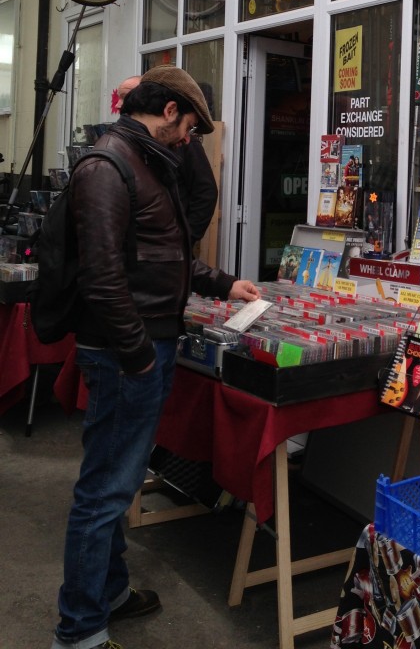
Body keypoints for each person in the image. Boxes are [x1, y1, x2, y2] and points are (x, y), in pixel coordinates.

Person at [52, 65, 259, 649]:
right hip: (126, 353)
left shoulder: (149, 163)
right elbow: (101, 276)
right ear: (169, 111)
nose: (190, 140)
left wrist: (224, 284)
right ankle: (79, 631)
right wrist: (139, 355)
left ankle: (109, 591)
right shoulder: (108, 165)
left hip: (144, 346)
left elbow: (164, 255)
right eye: (189, 126)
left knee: (116, 484)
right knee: (104, 492)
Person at [116, 75, 219, 245]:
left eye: (126, 97)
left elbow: (205, 192)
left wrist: (185, 240)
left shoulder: (168, 144)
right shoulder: (113, 157)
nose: (119, 104)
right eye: (188, 127)